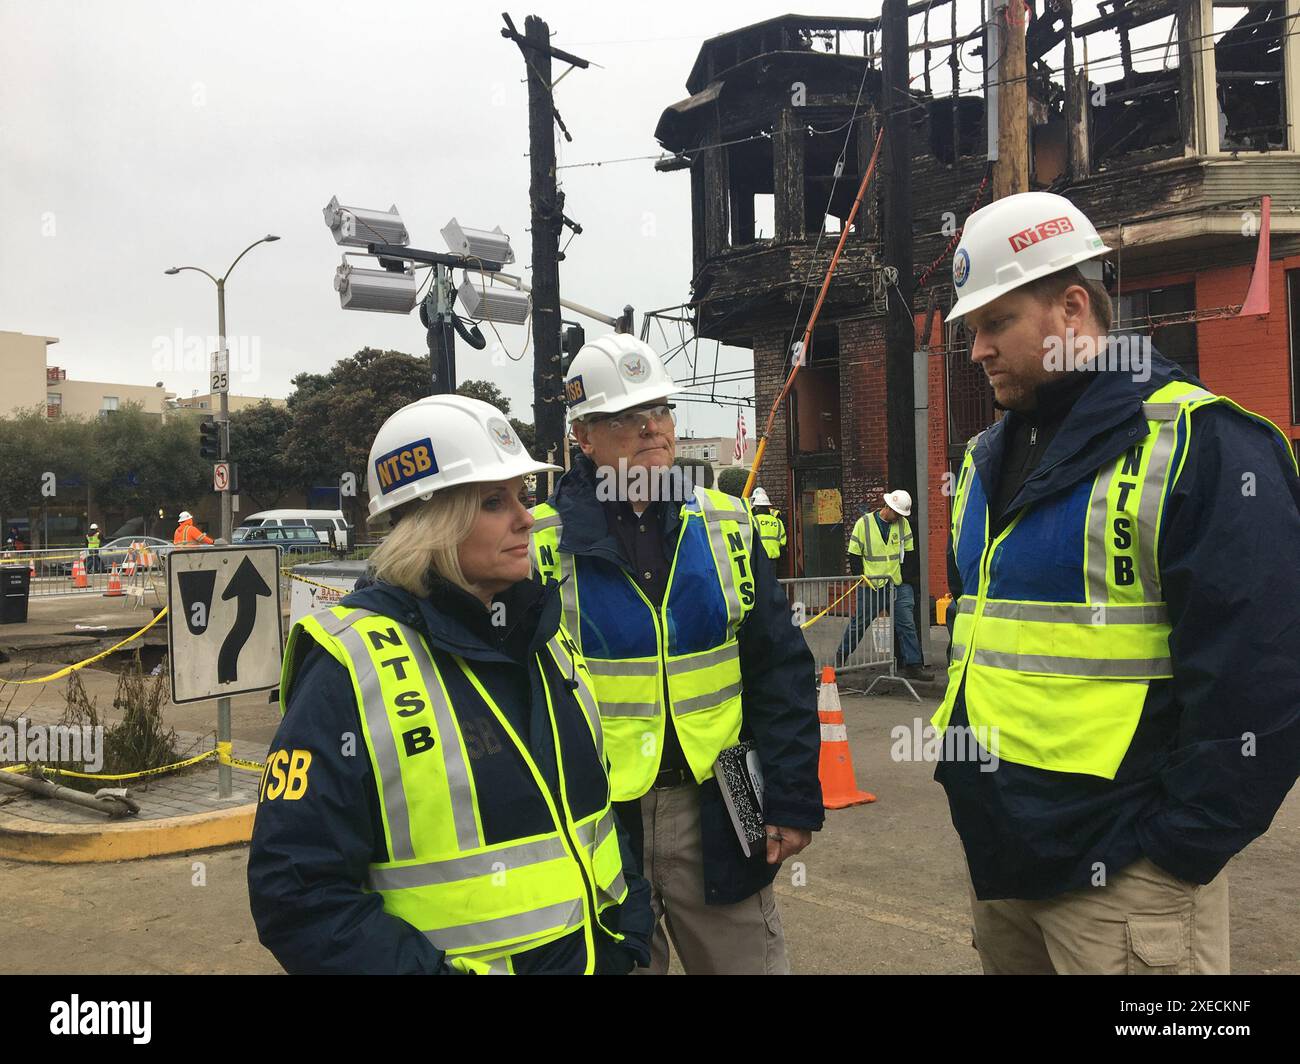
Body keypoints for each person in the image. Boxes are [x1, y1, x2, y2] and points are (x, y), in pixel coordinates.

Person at [935, 190, 1300, 974]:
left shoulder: (1203, 444)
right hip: (1003, 862)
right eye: (973, 330)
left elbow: (1265, 678)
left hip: (1127, 879)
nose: (977, 350)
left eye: (996, 323)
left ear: (1072, 308)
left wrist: (1176, 852)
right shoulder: (983, 462)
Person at [248, 395, 652, 975]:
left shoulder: (541, 637)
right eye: (494, 502)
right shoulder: (350, 665)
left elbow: (597, 817)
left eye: (523, 495)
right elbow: (297, 893)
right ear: (431, 524)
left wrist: (629, 938)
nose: (526, 518)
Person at [530, 334, 823, 975]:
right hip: (599, 818)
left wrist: (793, 796)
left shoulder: (725, 523)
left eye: (659, 411)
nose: (651, 430)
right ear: (584, 436)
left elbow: (780, 667)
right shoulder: (540, 545)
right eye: (626, 418)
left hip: (719, 804)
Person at [836, 490, 933, 681]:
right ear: (887, 507)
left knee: (907, 623)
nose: (898, 517)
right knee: (860, 623)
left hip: (896, 584)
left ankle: (913, 665)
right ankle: (841, 657)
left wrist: (905, 579)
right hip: (871, 584)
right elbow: (854, 555)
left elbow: (910, 553)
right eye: (897, 513)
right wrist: (861, 577)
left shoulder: (903, 524)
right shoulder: (863, 524)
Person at [750, 487, 787, 564]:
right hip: (773, 559)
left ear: (756, 505)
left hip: (757, 559)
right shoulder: (777, 521)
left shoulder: (753, 520)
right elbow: (783, 542)